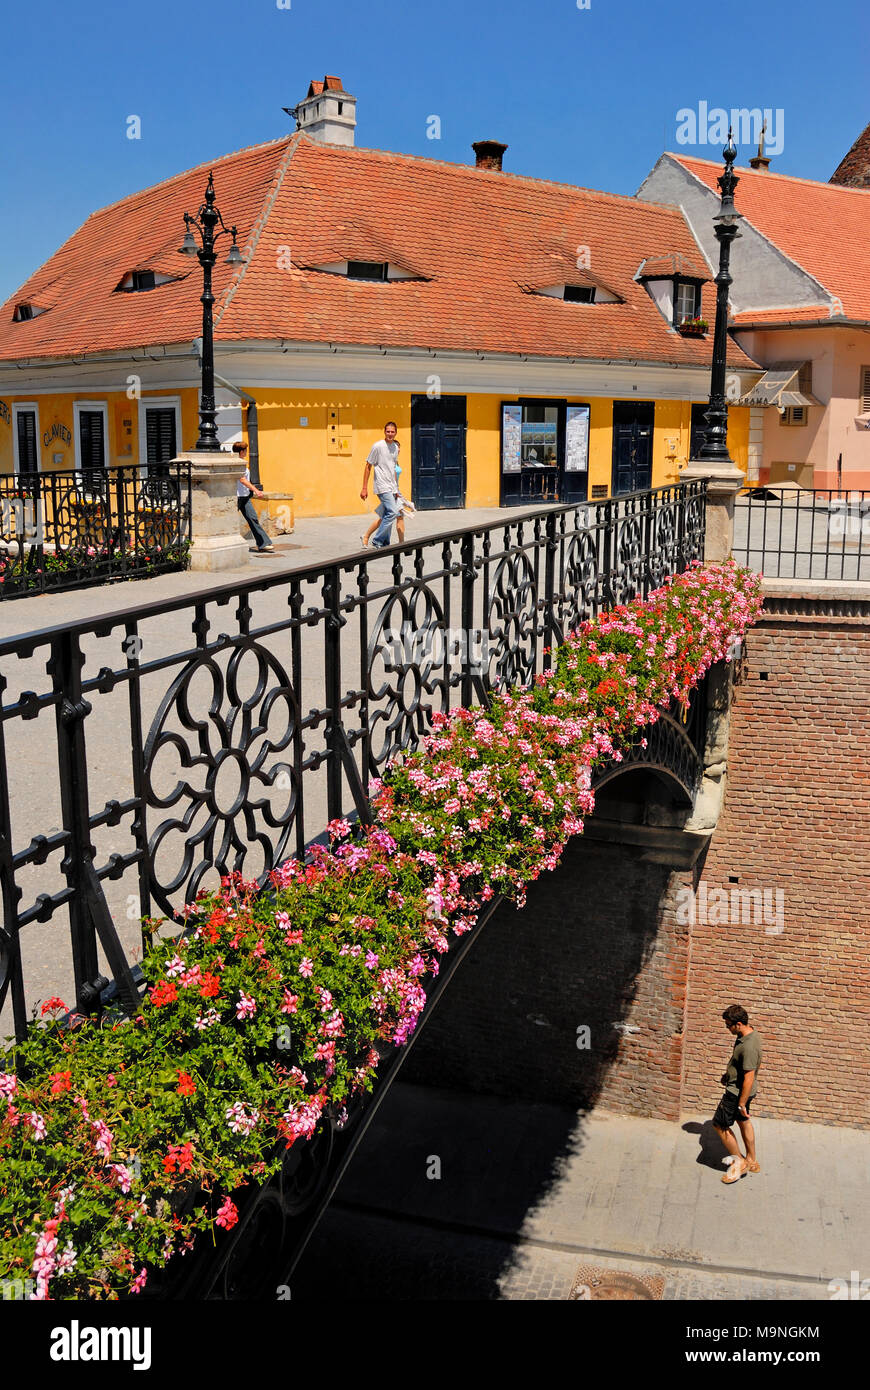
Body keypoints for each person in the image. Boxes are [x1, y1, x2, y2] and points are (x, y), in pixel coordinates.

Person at [712, 1004, 762, 1184]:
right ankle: (752, 1160)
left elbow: (748, 1077)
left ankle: (739, 1163)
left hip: (737, 1093)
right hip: (742, 1090)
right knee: (743, 1120)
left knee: (719, 1125)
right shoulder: (750, 1034)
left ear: (738, 1024)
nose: (727, 1029)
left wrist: (741, 1103)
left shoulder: (748, 1047)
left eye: (728, 1026)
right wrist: (729, 1074)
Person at [360, 422, 401, 549]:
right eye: (388, 431)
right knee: (393, 512)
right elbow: (368, 466)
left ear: (396, 433)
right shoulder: (377, 446)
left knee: (387, 514)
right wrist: (364, 487)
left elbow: (393, 468)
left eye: (392, 432)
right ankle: (377, 540)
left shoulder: (395, 447)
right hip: (381, 485)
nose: (390, 434)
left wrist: (396, 489)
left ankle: (384, 542)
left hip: (391, 486)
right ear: (384, 432)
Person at [234, 442, 273, 553]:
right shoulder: (237, 463)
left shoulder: (242, 462)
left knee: (253, 518)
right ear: (241, 452)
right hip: (237, 497)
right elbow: (242, 479)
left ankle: (263, 543)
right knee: (229, 522)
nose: (246, 452)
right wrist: (256, 490)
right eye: (245, 450)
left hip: (245, 496)